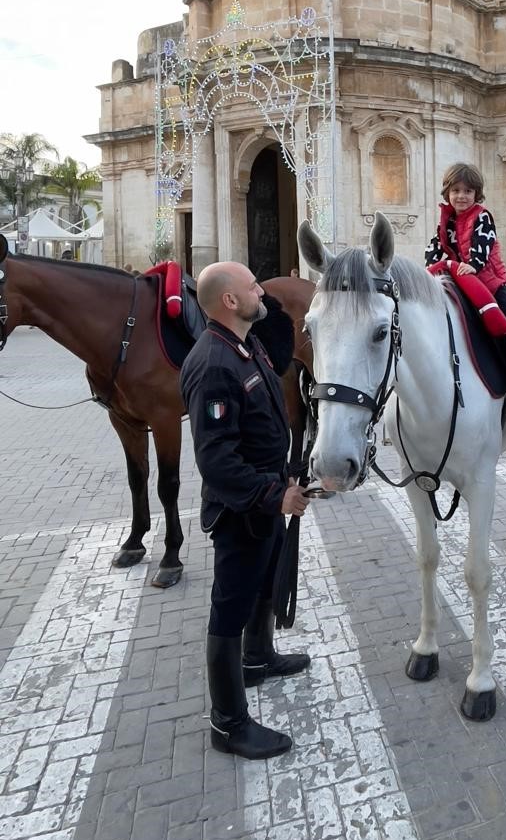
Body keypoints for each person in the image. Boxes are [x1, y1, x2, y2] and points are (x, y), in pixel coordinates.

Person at [181, 261, 313, 760]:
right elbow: (216, 460)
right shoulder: (214, 363)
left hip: (266, 498)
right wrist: (272, 495)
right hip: (241, 510)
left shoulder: (246, 344)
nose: (264, 290)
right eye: (254, 286)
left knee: (265, 580)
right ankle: (228, 722)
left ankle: (258, 658)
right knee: (228, 611)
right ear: (230, 301)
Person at [425, 162, 506, 383]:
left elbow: (483, 243)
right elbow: (436, 245)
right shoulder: (446, 220)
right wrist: (427, 269)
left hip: (489, 278)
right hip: (461, 277)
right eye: (456, 190)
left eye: (468, 191)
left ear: (476, 194)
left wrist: (475, 265)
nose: (461, 196)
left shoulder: (482, 216)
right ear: (447, 192)